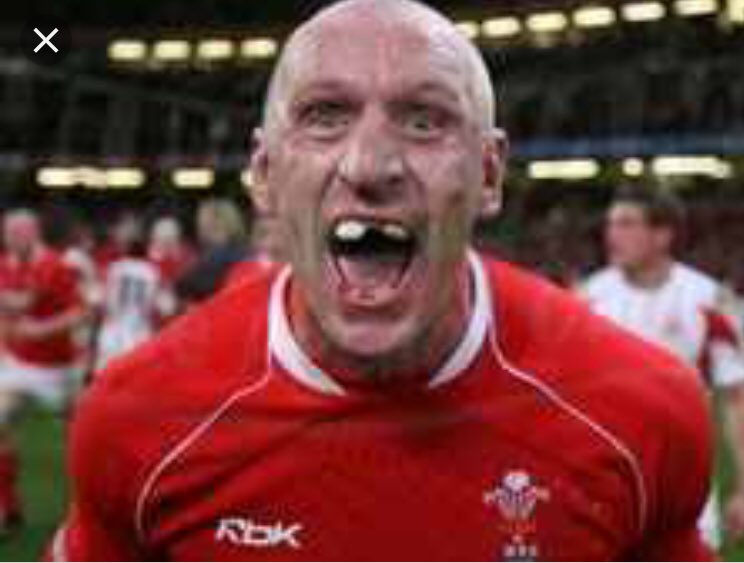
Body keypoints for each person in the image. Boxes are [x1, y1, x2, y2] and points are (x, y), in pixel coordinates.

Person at [50, 1, 712, 559]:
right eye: (324, 116)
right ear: (264, 174)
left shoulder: (640, 411)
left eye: (425, 120)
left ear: (488, 174)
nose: (369, 164)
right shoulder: (136, 417)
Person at [583, 185, 744, 551]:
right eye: (610, 224)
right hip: (604, 478)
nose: (612, 234)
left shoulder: (709, 302)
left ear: (662, 235)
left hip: (685, 483)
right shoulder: (586, 301)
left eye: (627, 223)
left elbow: (736, 399)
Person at [0, 209, 86, 534]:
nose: (12, 239)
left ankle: (88, 511)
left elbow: (80, 312)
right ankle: (8, 509)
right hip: (21, 366)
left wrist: (42, 330)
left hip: (62, 370)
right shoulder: (5, 264)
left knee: (83, 440)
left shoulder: (56, 265)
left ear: (34, 232)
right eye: (8, 233)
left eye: (18, 233)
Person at [94, 238, 175, 372]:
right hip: (139, 334)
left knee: (106, 376)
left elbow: (96, 300)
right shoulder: (152, 272)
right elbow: (166, 307)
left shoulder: (114, 268)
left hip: (111, 333)